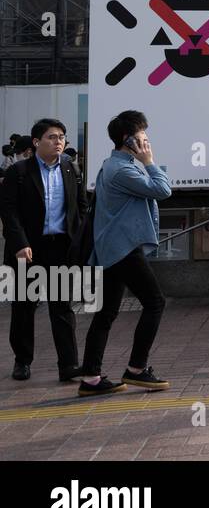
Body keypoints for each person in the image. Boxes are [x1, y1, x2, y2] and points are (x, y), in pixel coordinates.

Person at [79, 110, 172, 397]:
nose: (146, 140)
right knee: (155, 302)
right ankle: (136, 369)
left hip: (112, 247)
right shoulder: (123, 169)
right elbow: (162, 190)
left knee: (106, 312)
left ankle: (91, 378)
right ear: (126, 139)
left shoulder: (113, 165)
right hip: (122, 248)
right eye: (142, 135)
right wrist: (150, 162)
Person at [0, 118, 87, 383]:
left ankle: (69, 365)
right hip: (28, 249)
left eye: (61, 136)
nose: (58, 141)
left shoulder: (71, 169)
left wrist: (80, 242)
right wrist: (19, 243)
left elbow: (80, 208)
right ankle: (22, 361)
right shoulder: (19, 172)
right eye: (52, 137)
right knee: (24, 307)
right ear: (36, 142)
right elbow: (9, 211)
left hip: (60, 248)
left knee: (62, 308)